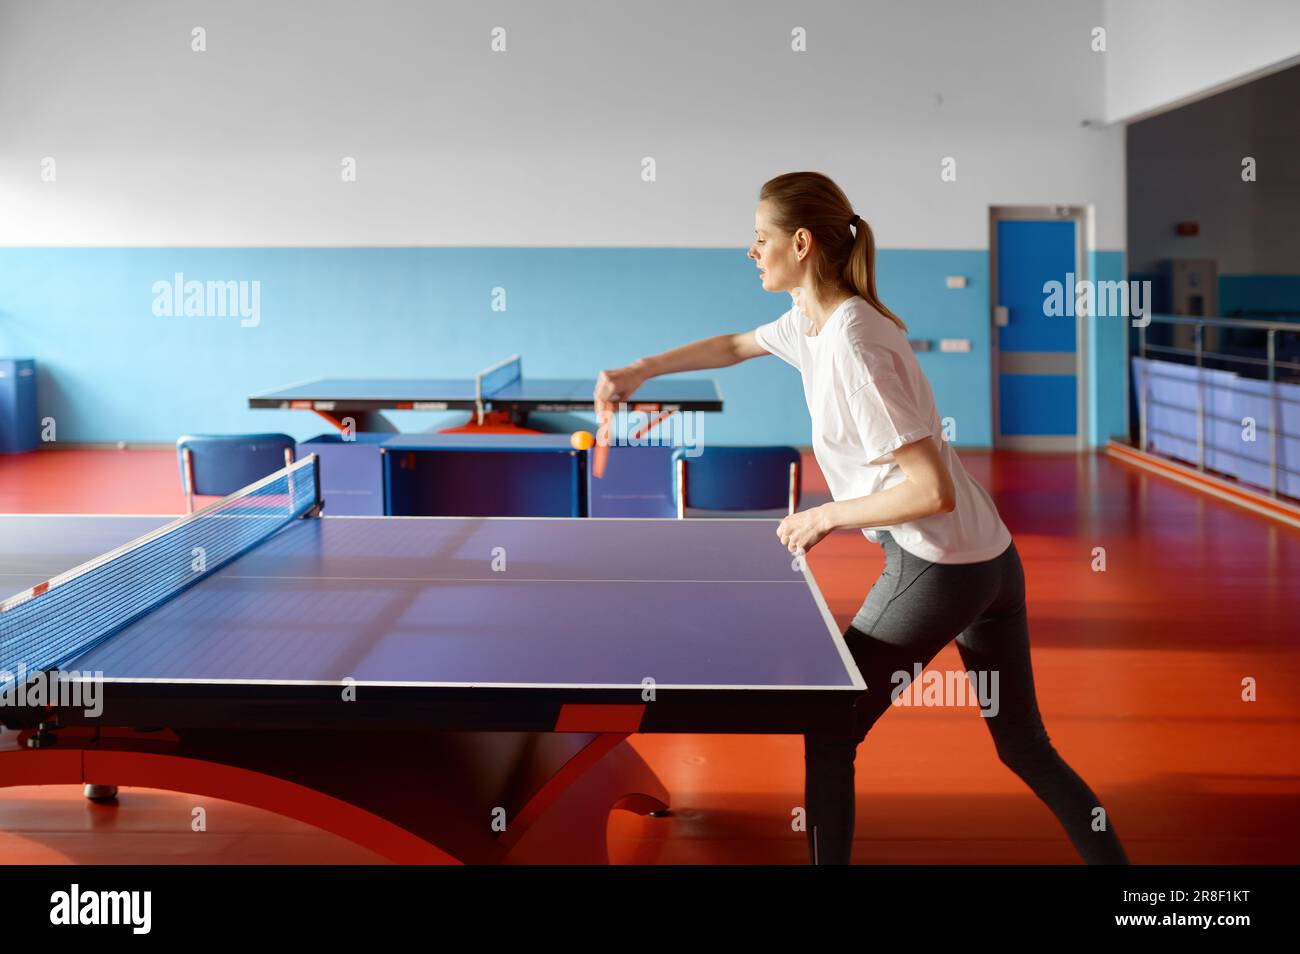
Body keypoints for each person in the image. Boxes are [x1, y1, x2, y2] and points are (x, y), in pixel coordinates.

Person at [593, 171, 1128, 866]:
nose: (751, 251)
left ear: (802, 242)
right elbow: (733, 346)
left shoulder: (855, 344)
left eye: (761, 238)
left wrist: (827, 517)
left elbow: (929, 490)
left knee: (831, 726)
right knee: (1025, 747)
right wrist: (639, 370)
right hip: (989, 559)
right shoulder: (813, 323)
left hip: (938, 565)